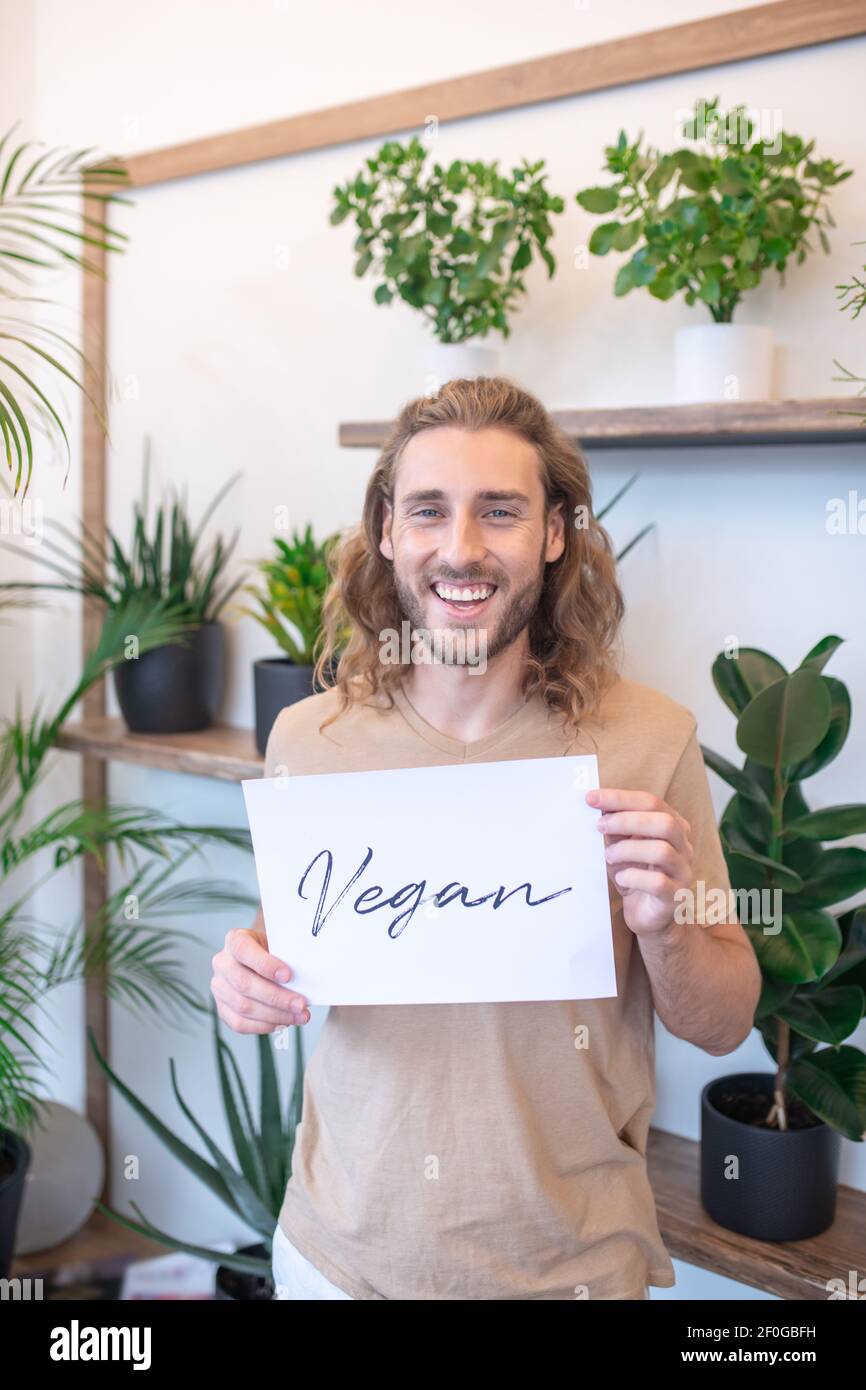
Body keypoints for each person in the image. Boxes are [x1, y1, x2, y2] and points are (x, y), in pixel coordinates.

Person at [211, 376, 761, 1301]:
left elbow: (724, 1023)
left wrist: (665, 923)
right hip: (338, 1259)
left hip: (573, 1269)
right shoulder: (308, 739)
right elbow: (286, 946)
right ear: (388, 531)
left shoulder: (652, 739)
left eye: (498, 512)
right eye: (429, 510)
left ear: (553, 536)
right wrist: (245, 976)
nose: (460, 550)